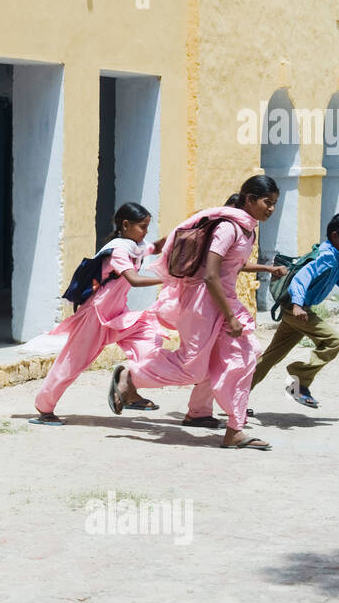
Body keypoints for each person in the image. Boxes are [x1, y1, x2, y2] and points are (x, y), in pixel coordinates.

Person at [109, 176, 285, 450]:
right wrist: (229, 317)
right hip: (204, 304)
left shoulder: (247, 230)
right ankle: (131, 375)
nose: (271, 209)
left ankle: (232, 428)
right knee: (193, 366)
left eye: (274, 203)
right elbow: (211, 275)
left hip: (220, 301)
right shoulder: (228, 228)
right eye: (266, 202)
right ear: (249, 199)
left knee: (244, 354)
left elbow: (230, 269)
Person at [30, 202, 165, 424]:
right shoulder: (119, 250)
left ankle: (129, 387)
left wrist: (187, 231)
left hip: (117, 313)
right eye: (142, 227)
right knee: (73, 362)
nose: (146, 232)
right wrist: (170, 279)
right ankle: (45, 408)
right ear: (125, 225)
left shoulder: (135, 246)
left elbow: (156, 247)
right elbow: (134, 279)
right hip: (97, 314)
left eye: (147, 227)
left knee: (148, 333)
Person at [251, 213, 339, 408]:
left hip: (298, 310)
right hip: (297, 309)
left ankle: (235, 396)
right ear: (336, 236)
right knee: (334, 341)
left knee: (270, 357)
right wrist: (297, 305)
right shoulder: (326, 256)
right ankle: (299, 377)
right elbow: (301, 279)